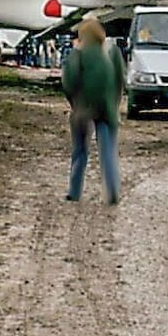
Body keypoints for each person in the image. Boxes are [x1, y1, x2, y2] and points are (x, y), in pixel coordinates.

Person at [62, 17, 125, 205]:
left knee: (80, 151)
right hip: (107, 109)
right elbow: (120, 80)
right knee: (108, 151)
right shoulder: (112, 52)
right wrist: (114, 104)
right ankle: (112, 191)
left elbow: (69, 81)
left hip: (82, 110)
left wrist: (74, 103)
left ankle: (74, 192)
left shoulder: (78, 53)